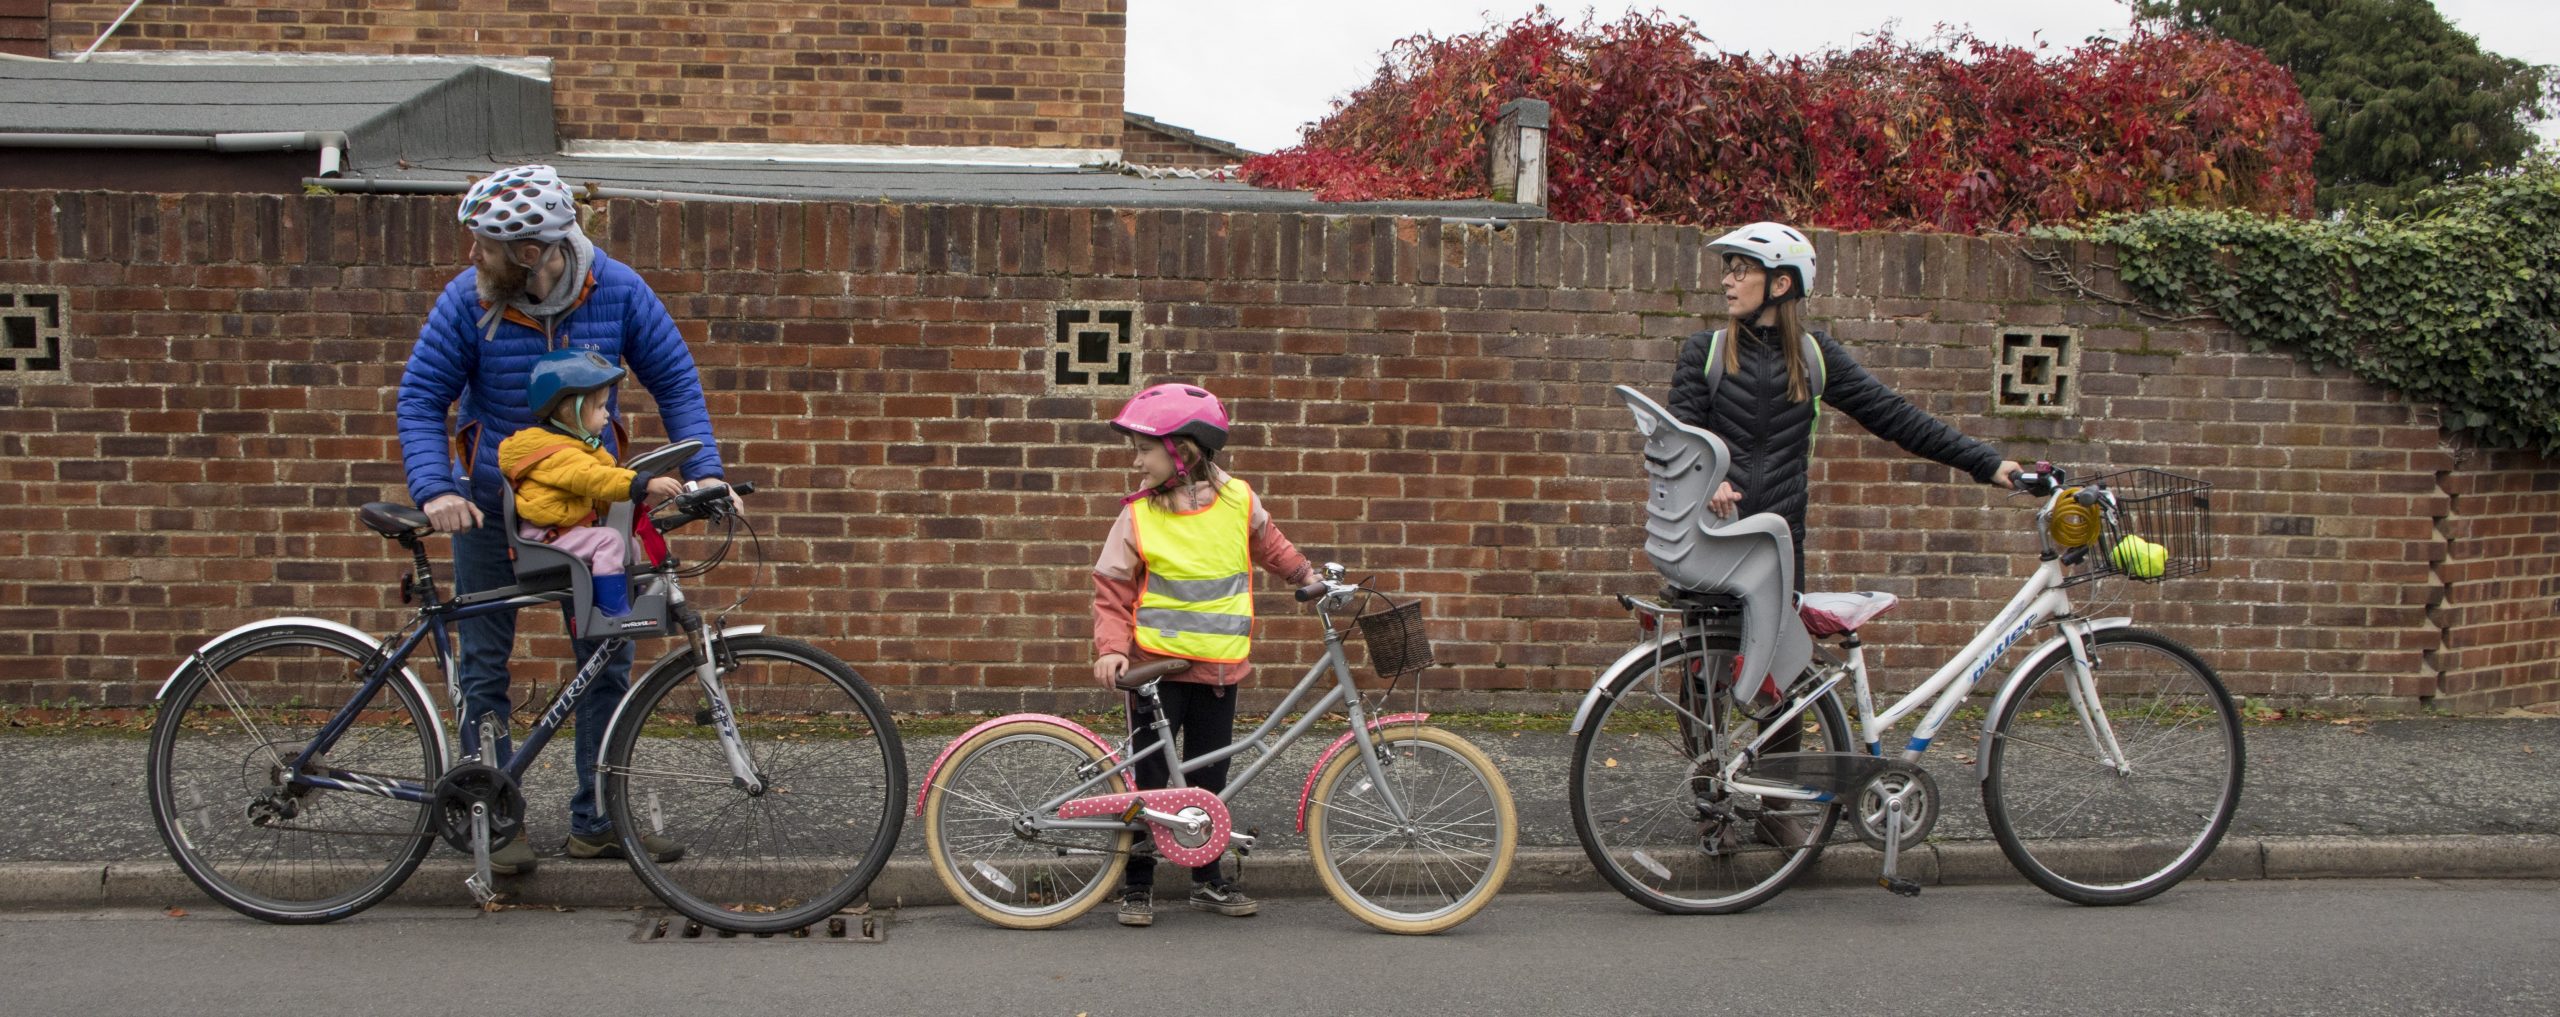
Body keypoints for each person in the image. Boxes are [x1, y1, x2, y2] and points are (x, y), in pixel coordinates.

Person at [395, 164, 727, 874]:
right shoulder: (469, 300)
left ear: (531, 253)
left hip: (593, 508)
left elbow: (676, 380)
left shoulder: (619, 291)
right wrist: (434, 491)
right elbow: (423, 397)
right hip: (487, 512)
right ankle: (493, 814)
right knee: (484, 665)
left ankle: (597, 819)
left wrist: (707, 474)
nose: (472, 257)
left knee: (607, 658)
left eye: (485, 246)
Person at [1666, 222, 2020, 846]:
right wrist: (1705, 483)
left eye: (1740, 269)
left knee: (1785, 677)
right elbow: (1676, 442)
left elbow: (1896, 417)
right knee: (1706, 673)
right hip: (1713, 538)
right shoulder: (1705, 354)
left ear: (1780, 283)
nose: (1727, 279)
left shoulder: (1815, 357)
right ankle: (1713, 799)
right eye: (1728, 268)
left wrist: (1986, 464)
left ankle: (1778, 810)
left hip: (1779, 545)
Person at [1089, 383, 1315, 927]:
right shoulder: (1139, 515)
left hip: (1218, 670)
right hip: (1155, 671)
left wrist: (1308, 578)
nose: (1136, 461)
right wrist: (1112, 648)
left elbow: (1273, 546)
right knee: (1147, 781)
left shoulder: (1239, 500)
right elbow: (1112, 586)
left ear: (1181, 452)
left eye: (1144, 450)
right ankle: (1137, 884)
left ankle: (1207, 879)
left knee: (1211, 782)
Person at [498, 349, 684, 624]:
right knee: (609, 540)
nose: (607, 415)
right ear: (569, 411)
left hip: (564, 532)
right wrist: (642, 482)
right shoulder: (557, 455)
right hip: (546, 536)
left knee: (627, 544)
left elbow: (601, 478)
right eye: (599, 407)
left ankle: (631, 598)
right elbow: (593, 478)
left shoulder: (576, 448)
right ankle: (612, 612)